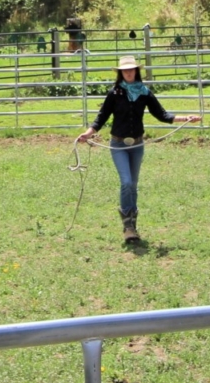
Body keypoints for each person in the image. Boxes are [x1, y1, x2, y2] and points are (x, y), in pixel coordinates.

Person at [75, 55, 200, 243]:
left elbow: (161, 114)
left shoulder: (144, 92)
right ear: (121, 73)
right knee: (126, 182)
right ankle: (128, 226)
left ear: (136, 71)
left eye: (131, 69)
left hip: (137, 145)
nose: (128, 73)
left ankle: (131, 225)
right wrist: (88, 133)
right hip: (118, 144)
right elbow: (101, 118)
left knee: (133, 184)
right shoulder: (114, 93)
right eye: (125, 70)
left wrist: (185, 118)